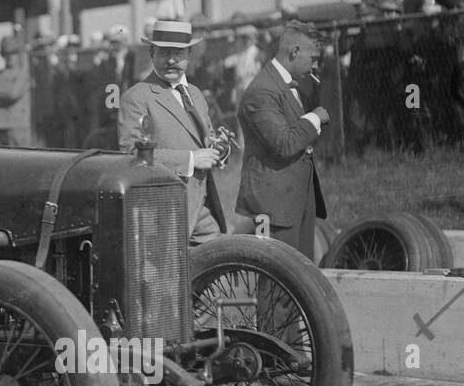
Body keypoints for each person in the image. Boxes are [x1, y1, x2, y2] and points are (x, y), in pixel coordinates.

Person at [117, 21, 228, 244]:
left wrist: (220, 148)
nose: (170, 60)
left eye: (178, 54)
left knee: (217, 263)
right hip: (163, 208)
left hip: (200, 205)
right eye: (164, 53)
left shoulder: (195, 94)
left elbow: (206, 137)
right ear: (151, 53)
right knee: (165, 273)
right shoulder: (136, 97)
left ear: (189, 54)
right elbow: (132, 154)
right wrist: (191, 159)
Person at [236, 21, 329, 260]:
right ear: (295, 51)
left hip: (296, 198)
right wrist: (315, 119)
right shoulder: (262, 91)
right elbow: (284, 144)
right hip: (276, 204)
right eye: (314, 58)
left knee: (299, 279)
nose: (316, 66)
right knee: (276, 281)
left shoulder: (290, 83)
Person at [0, 36, 32, 147]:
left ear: (18, 54)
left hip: (15, 127)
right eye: (6, 54)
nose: (10, 57)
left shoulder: (22, 74)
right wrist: (2, 97)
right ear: (3, 55)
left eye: (13, 53)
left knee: (19, 161)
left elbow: (13, 94)